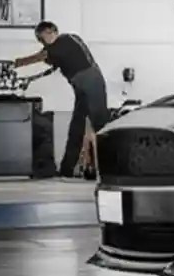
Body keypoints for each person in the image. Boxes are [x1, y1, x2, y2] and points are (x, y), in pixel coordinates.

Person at [14, 21, 109, 179]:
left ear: (54, 31)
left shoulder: (66, 40)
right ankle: (66, 169)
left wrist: (19, 62)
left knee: (100, 124)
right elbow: (48, 65)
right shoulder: (57, 49)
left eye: (47, 35)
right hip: (81, 86)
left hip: (92, 82)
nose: (47, 39)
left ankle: (110, 167)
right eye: (43, 38)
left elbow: (42, 56)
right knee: (76, 126)